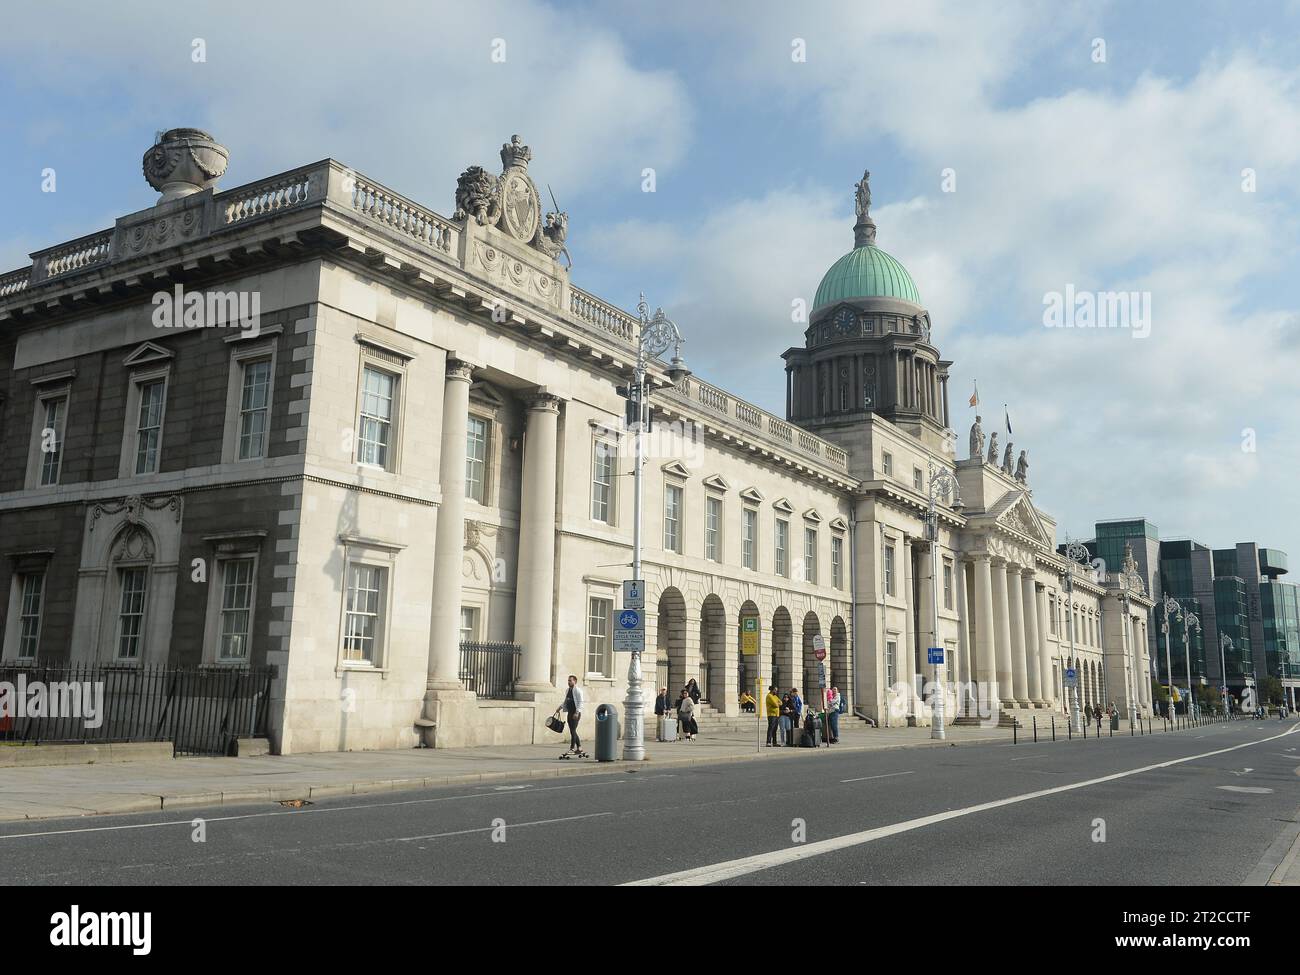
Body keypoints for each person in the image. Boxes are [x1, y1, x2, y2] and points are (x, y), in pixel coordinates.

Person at [561, 674, 586, 756]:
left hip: (576, 713)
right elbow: (566, 701)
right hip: (570, 712)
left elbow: (581, 702)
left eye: (570, 680)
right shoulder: (568, 690)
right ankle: (579, 748)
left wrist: (577, 712)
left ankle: (572, 748)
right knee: (573, 731)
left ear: (575, 681)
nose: (568, 682)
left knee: (573, 730)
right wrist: (560, 707)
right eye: (568, 680)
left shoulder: (578, 690)